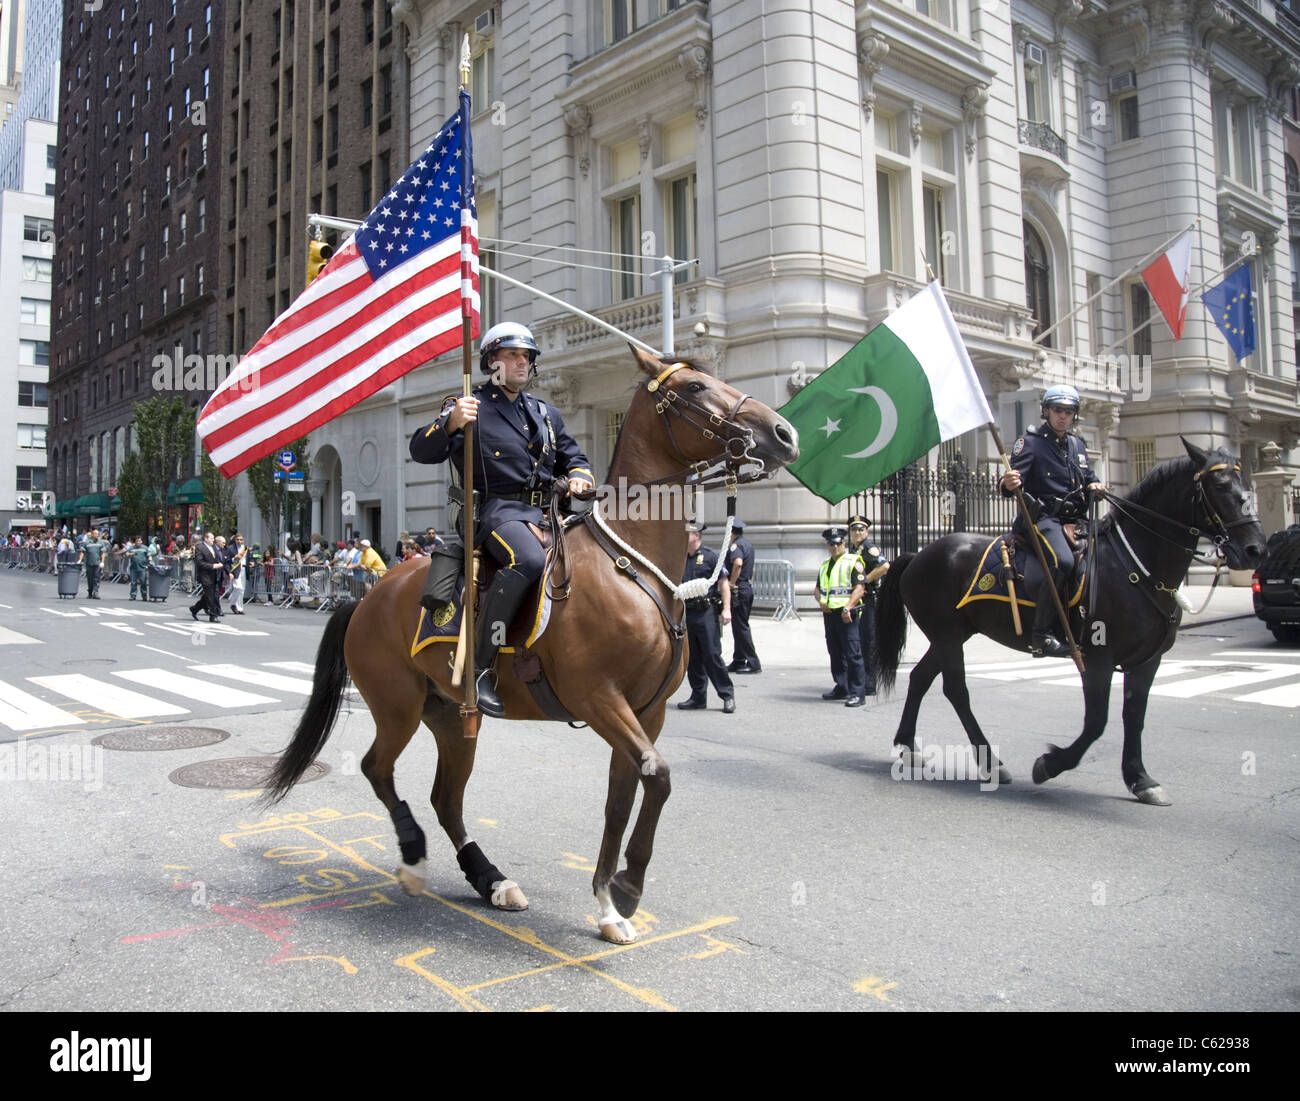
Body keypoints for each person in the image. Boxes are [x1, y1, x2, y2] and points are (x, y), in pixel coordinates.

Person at [409, 321, 594, 717]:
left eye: (526, 356)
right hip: (493, 511)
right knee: (527, 560)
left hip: (548, 514)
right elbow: (421, 451)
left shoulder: (545, 413)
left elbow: (574, 458)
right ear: (492, 361)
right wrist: (450, 423)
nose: (522, 362)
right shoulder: (468, 405)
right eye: (512, 355)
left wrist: (579, 476)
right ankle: (480, 666)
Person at [1000, 384, 1105, 657]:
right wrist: (1009, 482)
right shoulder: (1030, 443)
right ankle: (1042, 635)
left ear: (1074, 416)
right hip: (1044, 520)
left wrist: (1096, 486)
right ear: (1046, 411)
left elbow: (1089, 477)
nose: (1063, 416)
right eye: (1057, 410)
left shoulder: (1077, 445)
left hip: (1077, 520)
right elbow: (1009, 484)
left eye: (1069, 411)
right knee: (1063, 562)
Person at [676, 523, 736, 714]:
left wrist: (727, 609)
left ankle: (727, 695)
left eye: (686, 534)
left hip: (706, 612)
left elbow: (724, 584)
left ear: (695, 535)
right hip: (687, 613)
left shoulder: (711, 556)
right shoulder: (680, 558)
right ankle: (698, 696)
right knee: (692, 657)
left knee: (711, 655)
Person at [815, 526, 868, 707]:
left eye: (838, 543)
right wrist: (821, 601)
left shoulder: (854, 561)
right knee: (835, 652)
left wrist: (848, 607)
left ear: (844, 543)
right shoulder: (824, 566)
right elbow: (818, 589)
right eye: (831, 544)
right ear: (827, 545)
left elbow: (860, 588)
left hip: (848, 614)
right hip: (830, 614)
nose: (835, 547)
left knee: (853, 653)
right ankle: (842, 685)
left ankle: (857, 693)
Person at [847, 515, 889, 695]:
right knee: (858, 640)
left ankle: (870, 683)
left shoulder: (869, 548)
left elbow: (884, 566)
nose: (858, 533)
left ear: (867, 531)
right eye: (855, 530)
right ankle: (860, 679)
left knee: (868, 640)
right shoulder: (853, 549)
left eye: (861, 530)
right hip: (857, 599)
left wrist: (864, 580)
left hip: (868, 599)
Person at [725, 518, 761, 674]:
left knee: (741, 627)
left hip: (739, 589)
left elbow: (738, 563)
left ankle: (754, 663)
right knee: (739, 626)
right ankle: (739, 659)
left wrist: (732, 583)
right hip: (746, 587)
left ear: (730, 532)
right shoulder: (747, 544)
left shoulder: (736, 545)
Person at [78, 528, 108, 600]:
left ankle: (96, 592)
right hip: (89, 563)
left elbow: (103, 553)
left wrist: (102, 562)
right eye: (95, 533)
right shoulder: (87, 542)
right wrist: (79, 560)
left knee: (97, 578)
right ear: (91, 534)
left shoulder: (100, 542)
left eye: (97, 534)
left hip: (97, 563)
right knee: (90, 578)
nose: (96, 535)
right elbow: (82, 552)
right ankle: (90, 592)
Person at [227, 533, 248, 614]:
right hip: (235, 569)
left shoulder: (245, 548)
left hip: (244, 569)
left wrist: (252, 563)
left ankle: (240, 608)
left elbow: (247, 558)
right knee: (238, 588)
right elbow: (227, 560)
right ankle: (233, 604)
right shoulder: (230, 548)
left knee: (242, 589)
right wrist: (234, 558)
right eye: (238, 539)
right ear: (235, 540)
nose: (239, 541)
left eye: (241, 539)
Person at [127, 535, 152, 600]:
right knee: (133, 582)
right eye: (137, 541)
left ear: (141, 541)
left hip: (142, 568)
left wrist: (149, 558)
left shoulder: (145, 548)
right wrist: (130, 554)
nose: (138, 542)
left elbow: (149, 554)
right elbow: (127, 554)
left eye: (139, 541)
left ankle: (144, 596)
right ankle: (133, 596)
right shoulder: (132, 548)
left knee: (143, 582)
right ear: (135, 541)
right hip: (133, 568)